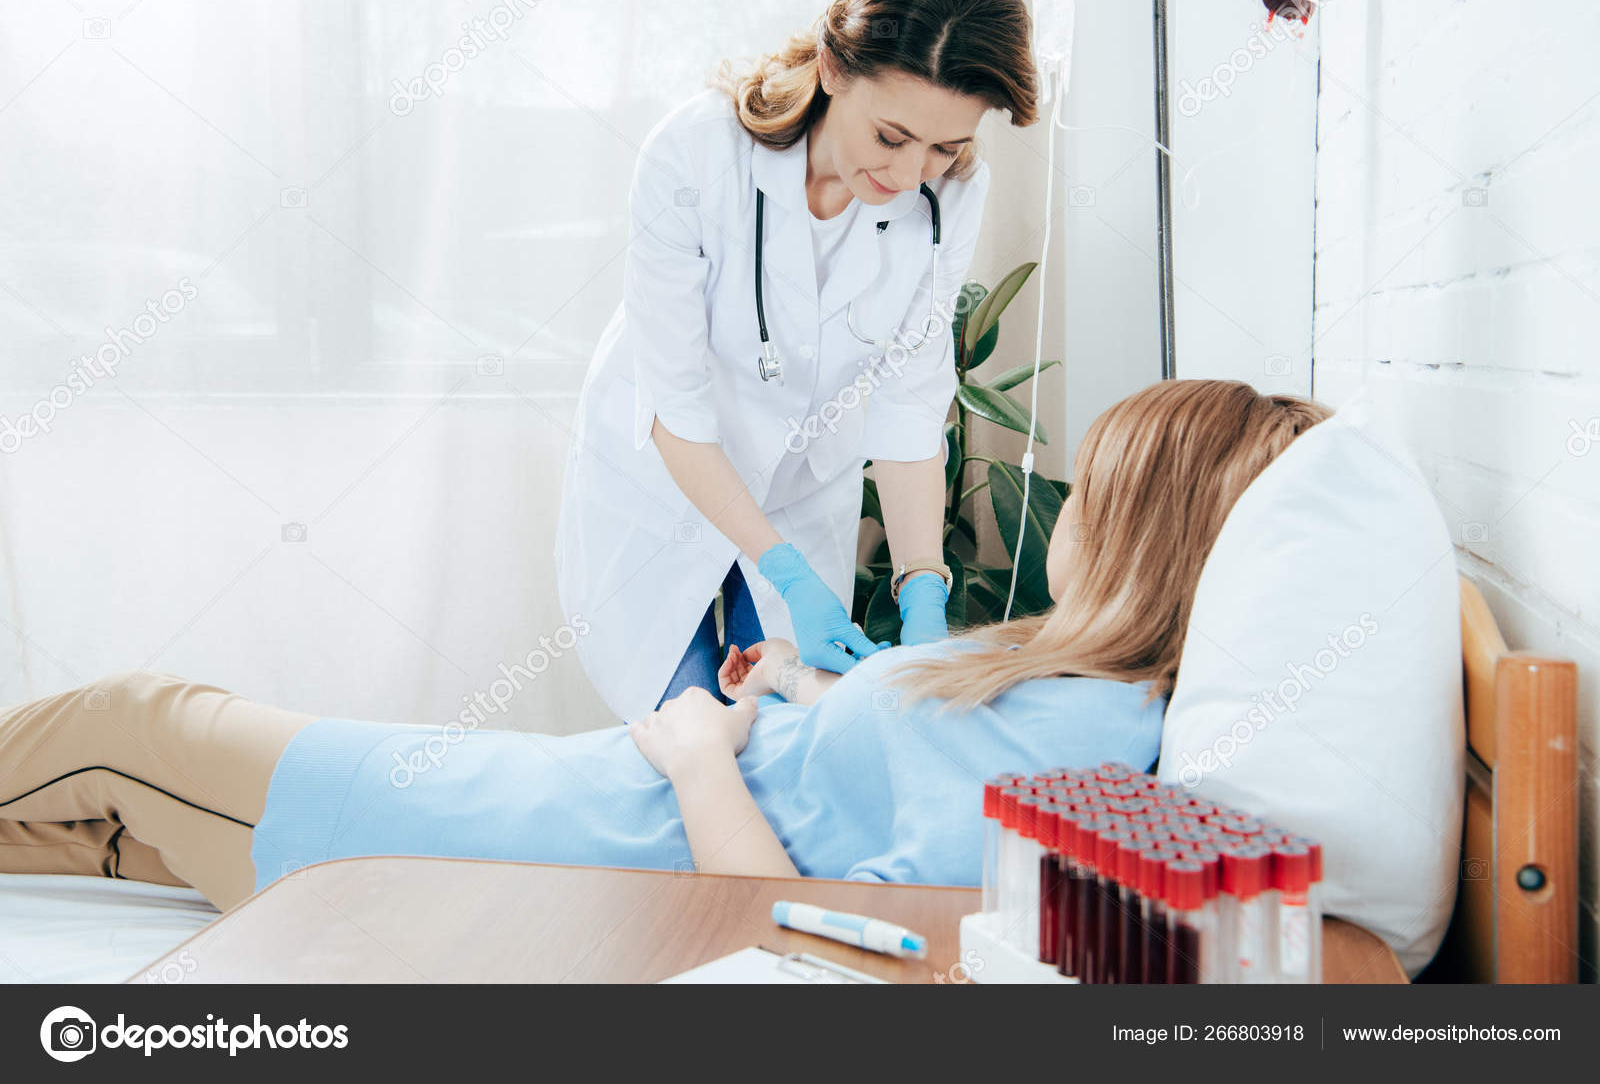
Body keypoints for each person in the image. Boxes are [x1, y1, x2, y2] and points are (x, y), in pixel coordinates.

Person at [0, 381, 1330, 914]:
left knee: (135, 724)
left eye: (1098, 496)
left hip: (497, 842)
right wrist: (804, 697)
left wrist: (701, 749)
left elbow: (808, 938)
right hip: (554, 800)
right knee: (115, 828)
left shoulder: (1082, 744)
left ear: (1155, 536)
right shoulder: (1069, 694)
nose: (1071, 514)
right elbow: (868, 794)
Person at [555, 0, 1040, 722]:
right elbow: (676, 405)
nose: (914, 172)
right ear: (833, 69)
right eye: (892, 135)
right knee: (685, 732)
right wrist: (781, 570)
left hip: (803, 489)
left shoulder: (952, 195)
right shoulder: (694, 155)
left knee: (782, 734)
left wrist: (920, 581)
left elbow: (911, 402)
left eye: (945, 146)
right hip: (667, 481)